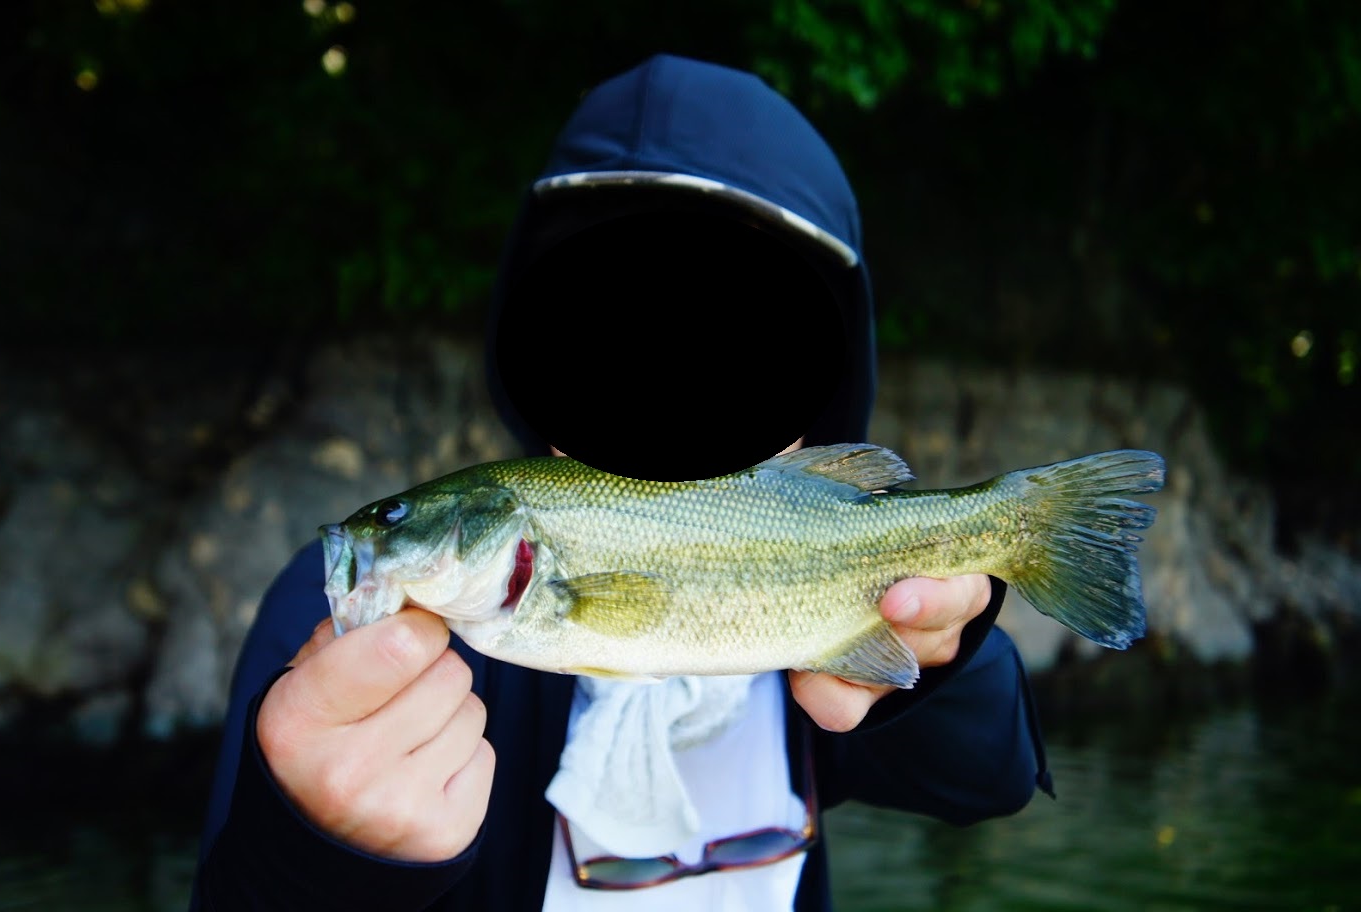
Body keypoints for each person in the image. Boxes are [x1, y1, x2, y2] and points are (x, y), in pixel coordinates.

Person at [189, 53, 1052, 911]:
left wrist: (949, 649)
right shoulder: (337, 621)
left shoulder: (848, 590)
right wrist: (312, 864)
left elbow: (990, 777)